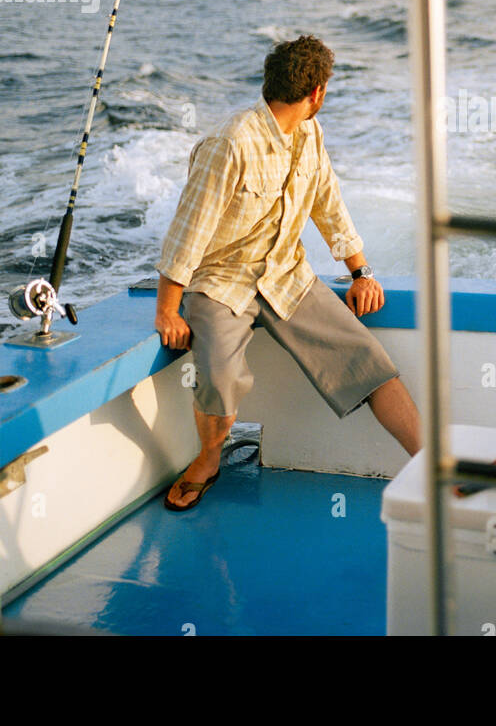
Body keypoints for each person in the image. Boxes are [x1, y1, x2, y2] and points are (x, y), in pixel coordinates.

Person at [154, 34, 421, 510]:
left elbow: (328, 206)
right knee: (218, 373)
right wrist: (167, 312)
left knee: (368, 359)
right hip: (221, 283)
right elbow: (187, 234)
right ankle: (208, 459)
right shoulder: (230, 143)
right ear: (316, 92)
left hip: (287, 275)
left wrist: (361, 272)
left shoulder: (311, 135)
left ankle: (432, 465)